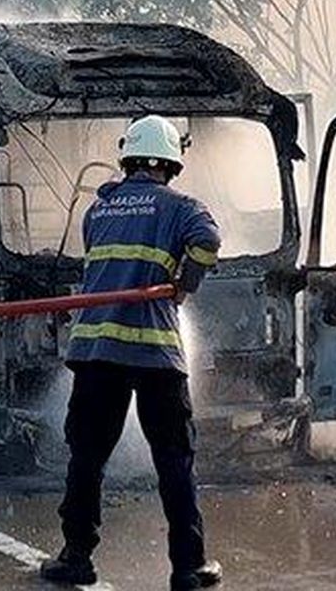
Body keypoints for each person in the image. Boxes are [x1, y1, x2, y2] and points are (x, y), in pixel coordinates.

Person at [40, 115, 223, 590]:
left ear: (127, 158)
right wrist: (186, 281)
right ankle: (189, 568)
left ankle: (75, 557)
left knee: (86, 459)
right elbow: (208, 240)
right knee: (174, 461)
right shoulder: (182, 208)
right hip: (155, 355)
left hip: (97, 352)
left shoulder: (97, 212)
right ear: (171, 163)